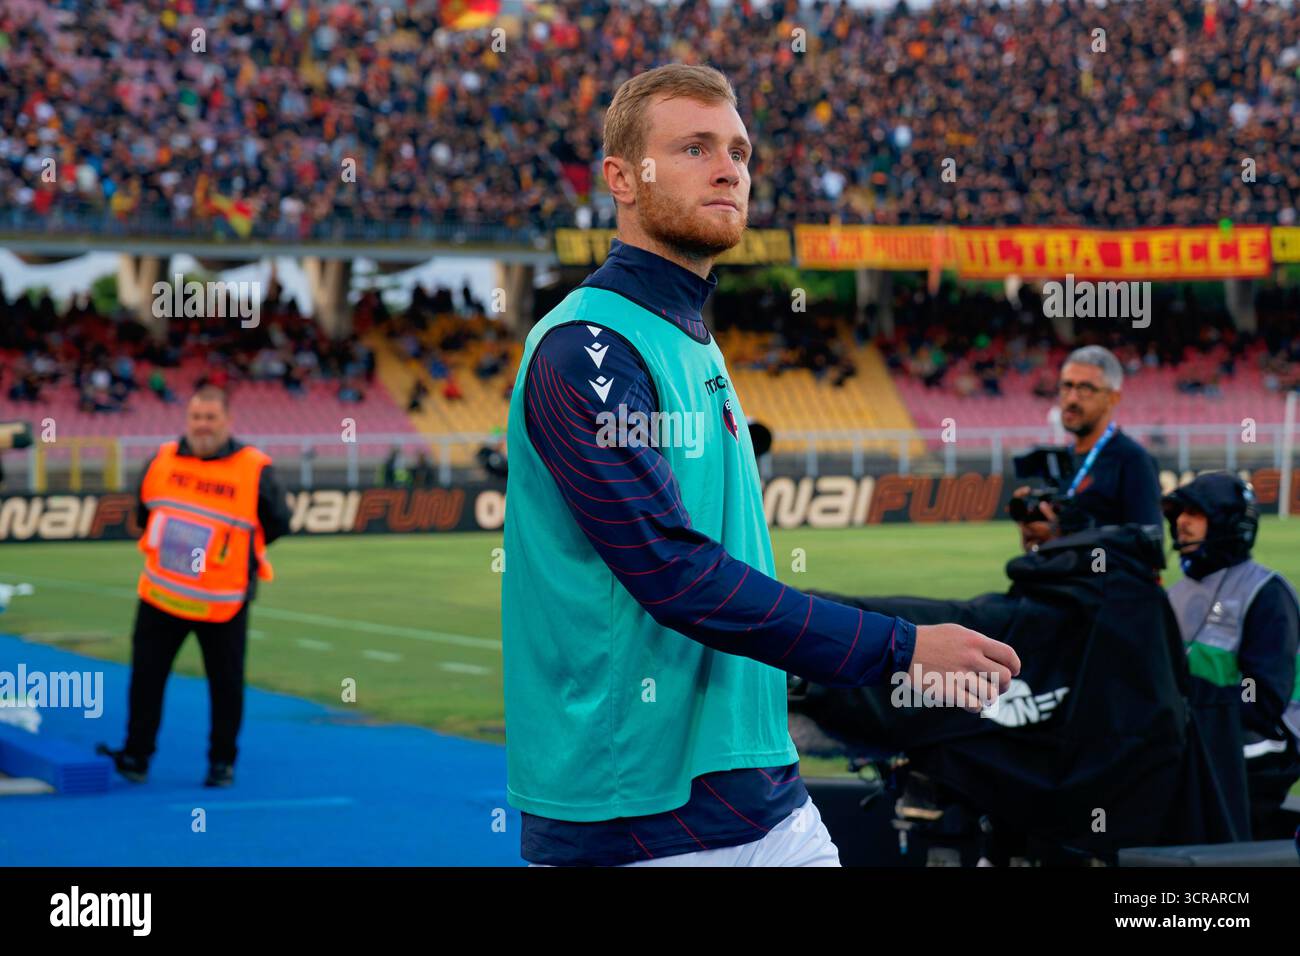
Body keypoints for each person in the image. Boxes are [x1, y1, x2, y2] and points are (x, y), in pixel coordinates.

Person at [501, 64, 1020, 868]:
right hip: (635, 813)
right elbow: (672, 573)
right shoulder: (588, 347)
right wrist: (899, 649)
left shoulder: (687, 332)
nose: (728, 168)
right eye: (694, 147)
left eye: (740, 151)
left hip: (760, 792)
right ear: (621, 179)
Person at [97, 386, 291, 787]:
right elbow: (142, 512)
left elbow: (278, 521)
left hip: (222, 601)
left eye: (211, 418)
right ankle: (136, 757)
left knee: (225, 685)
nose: (203, 426)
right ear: (187, 420)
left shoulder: (253, 468)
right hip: (161, 594)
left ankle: (222, 763)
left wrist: (235, 555)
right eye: (196, 418)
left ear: (227, 421)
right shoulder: (163, 460)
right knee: (146, 679)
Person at [1162, 472, 1300, 835]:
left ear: (1230, 522)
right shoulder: (1174, 594)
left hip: (1268, 740)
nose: (1182, 523)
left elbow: (1265, 700)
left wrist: (1189, 710)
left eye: (1196, 513)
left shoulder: (1266, 592)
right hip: (1201, 727)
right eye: (1179, 513)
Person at [1014, 345, 1163, 553]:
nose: (1072, 398)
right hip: (1061, 583)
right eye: (1066, 386)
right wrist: (1034, 535)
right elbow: (1049, 551)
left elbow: (1148, 550)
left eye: (1085, 389)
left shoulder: (1133, 460)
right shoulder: (1061, 460)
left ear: (1113, 398)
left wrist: (1065, 537)